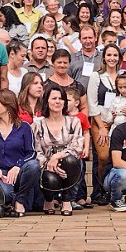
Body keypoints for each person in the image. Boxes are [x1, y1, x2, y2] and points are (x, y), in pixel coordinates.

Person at [0, 89, 40, 216]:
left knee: (34, 166)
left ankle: (20, 200)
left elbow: (31, 153)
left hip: (19, 173)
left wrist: (18, 166)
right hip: (1, 176)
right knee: (6, 192)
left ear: (8, 104)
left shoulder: (24, 127)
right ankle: (18, 201)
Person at [34, 83, 87, 215]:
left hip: (68, 163)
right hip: (46, 166)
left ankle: (67, 200)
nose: (57, 101)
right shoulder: (37, 125)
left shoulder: (74, 122)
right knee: (50, 178)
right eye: (54, 98)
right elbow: (36, 150)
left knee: (70, 161)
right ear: (46, 101)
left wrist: (56, 157)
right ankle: (48, 199)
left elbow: (77, 146)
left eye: (60, 98)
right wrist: (48, 164)